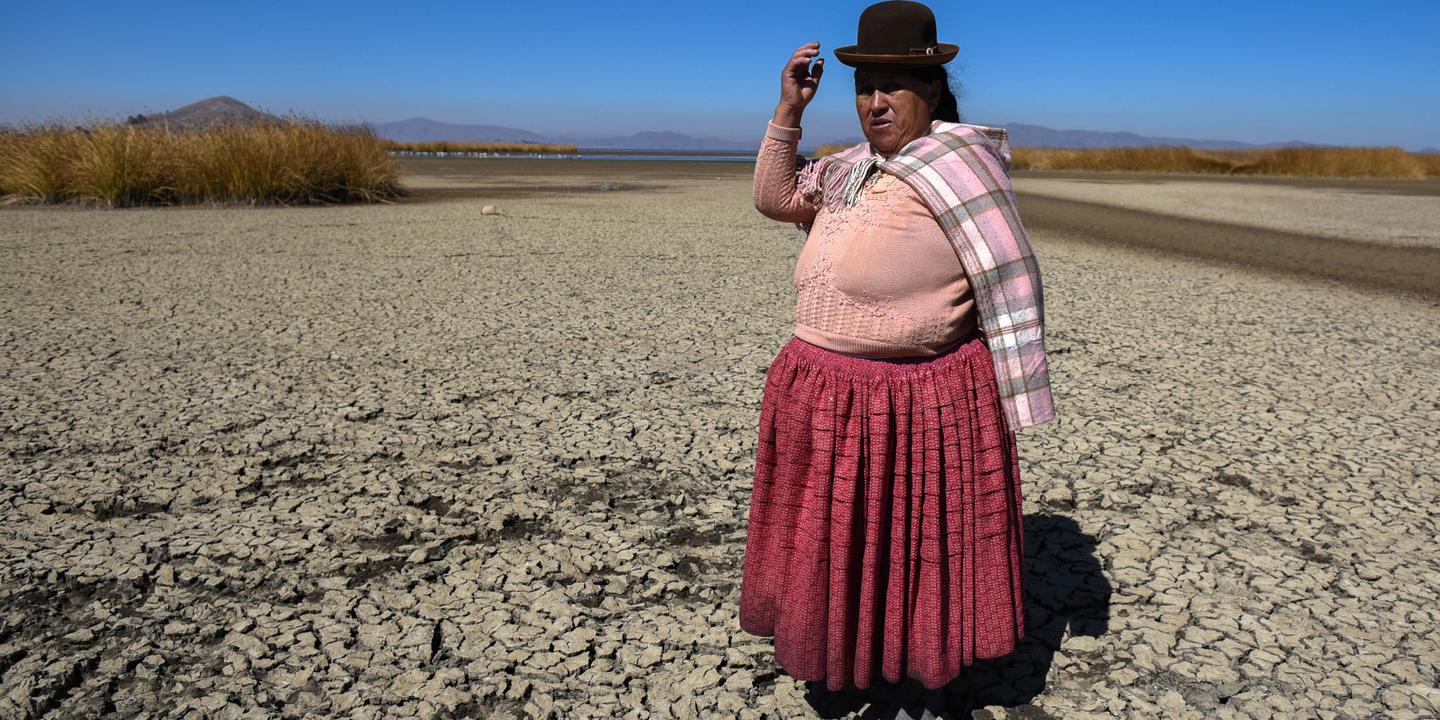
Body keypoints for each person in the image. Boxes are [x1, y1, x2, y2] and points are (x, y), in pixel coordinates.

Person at [737, 0, 1056, 700]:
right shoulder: (850, 167)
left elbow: (1010, 273)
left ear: (933, 90)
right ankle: (840, 655)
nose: (874, 102)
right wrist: (788, 110)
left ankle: (909, 674)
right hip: (822, 391)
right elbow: (774, 198)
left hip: (908, 399)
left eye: (893, 85)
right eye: (863, 86)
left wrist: (1008, 385)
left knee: (903, 548)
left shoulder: (959, 170)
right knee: (834, 541)